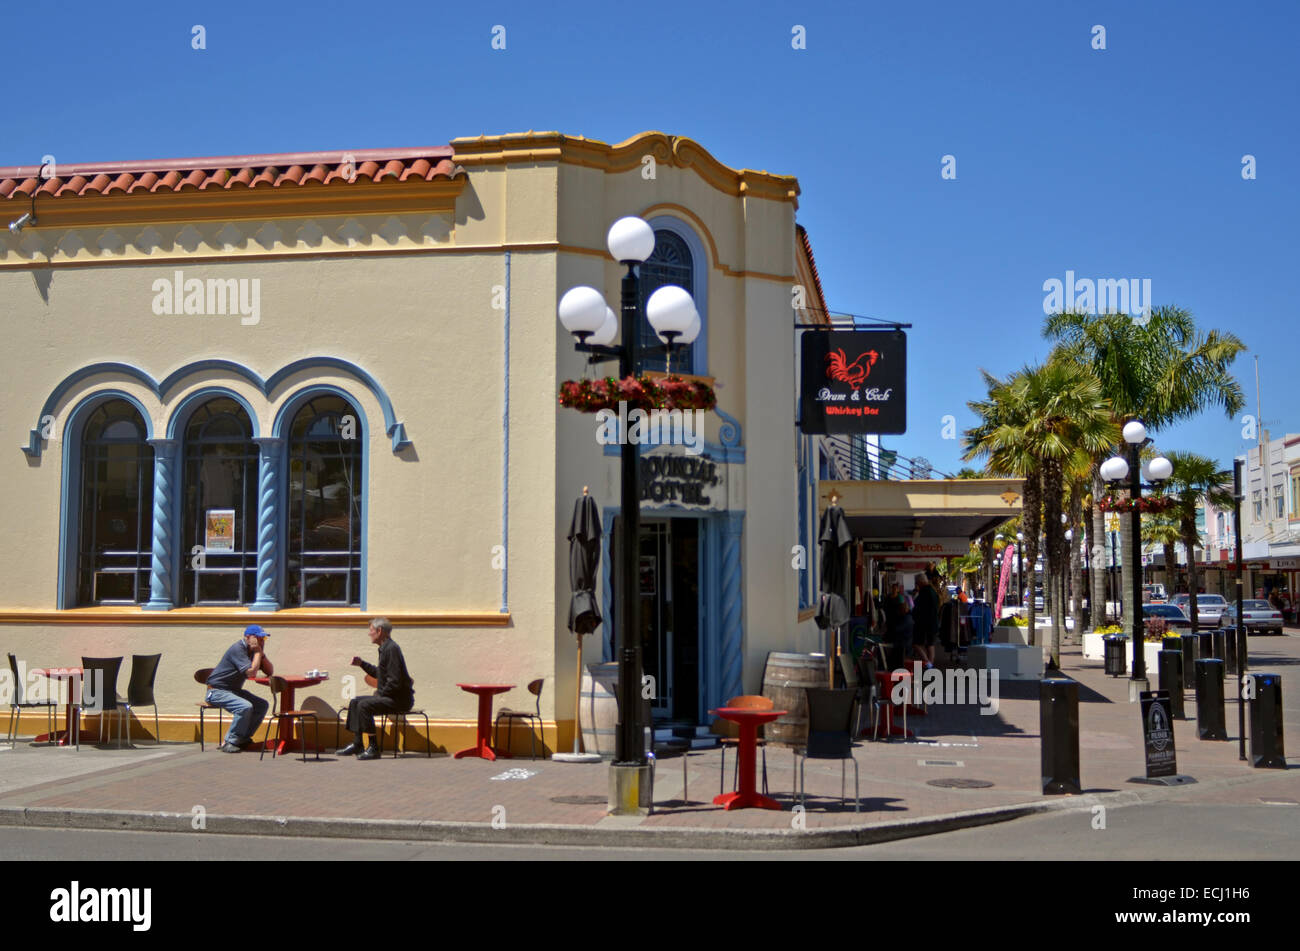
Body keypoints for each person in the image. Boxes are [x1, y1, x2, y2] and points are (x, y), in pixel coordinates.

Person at [337, 617, 415, 760]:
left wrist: (380, 694)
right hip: (389, 696)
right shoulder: (385, 648)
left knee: (364, 706)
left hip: (399, 700)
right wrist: (361, 664)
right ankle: (358, 743)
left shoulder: (391, 649)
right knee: (355, 702)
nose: (369, 634)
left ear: (380, 631)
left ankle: (373, 748)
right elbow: (380, 673)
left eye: (371, 630)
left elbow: (395, 681)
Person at [205, 624, 274, 753]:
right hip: (216, 691)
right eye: (259, 638)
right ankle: (230, 741)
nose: (261, 641)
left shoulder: (254, 651)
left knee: (261, 705)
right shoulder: (238, 649)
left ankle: (242, 738)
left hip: (233, 691)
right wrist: (258, 652)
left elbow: (269, 671)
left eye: (263, 639)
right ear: (248, 637)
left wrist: (261, 654)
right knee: (244, 707)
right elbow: (251, 673)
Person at [912, 573, 940, 669]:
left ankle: (928, 663)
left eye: (917, 583)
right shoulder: (932, 591)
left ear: (921, 582)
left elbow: (919, 608)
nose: (916, 585)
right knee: (930, 644)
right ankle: (930, 665)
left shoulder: (925, 592)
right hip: (932, 622)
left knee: (916, 643)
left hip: (925, 622)